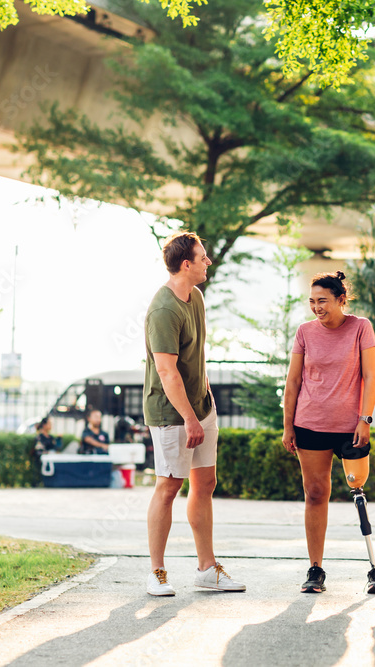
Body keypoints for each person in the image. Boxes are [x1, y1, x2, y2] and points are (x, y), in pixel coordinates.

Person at [143, 231, 244, 597]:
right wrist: (188, 418)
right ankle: (156, 572)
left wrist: (205, 404)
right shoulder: (164, 309)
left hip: (202, 406)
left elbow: (194, 358)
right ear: (187, 264)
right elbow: (167, 373)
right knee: (169, 486)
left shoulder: (195, 297)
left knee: (205, 484)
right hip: (171, 413)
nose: (208, 262)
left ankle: (206, 568)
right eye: (203, 258)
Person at [282, 270, 375, 593]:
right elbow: (293, 381)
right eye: (312, 301)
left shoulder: (360, 328)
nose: (316, 307)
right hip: (310, 424)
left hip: (351, 428)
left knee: (358, 489)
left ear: (341, 299)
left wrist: (365, 419)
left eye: (322, 301)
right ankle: (315, 569)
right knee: (315, 494)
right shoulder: (305, 332)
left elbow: (370, 377)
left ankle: (374, 567)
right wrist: (288, 425)